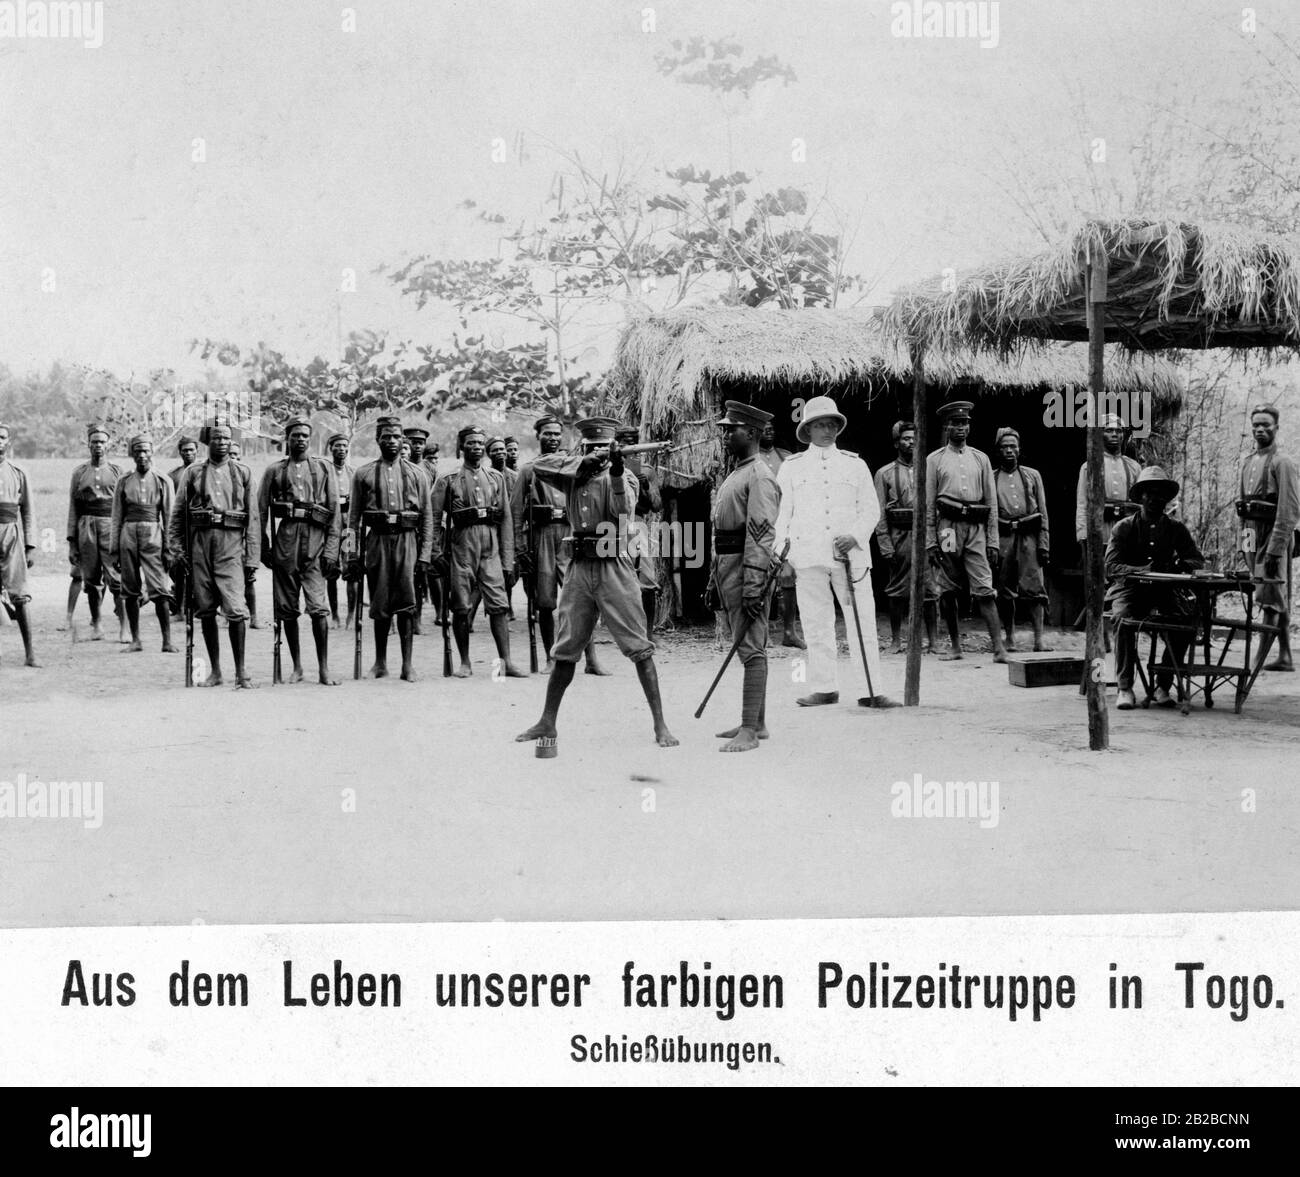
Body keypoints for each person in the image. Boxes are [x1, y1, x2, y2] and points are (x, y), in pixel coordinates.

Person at [515, 417, 678, 751]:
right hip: (578, 568)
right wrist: (579, 464)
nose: (598, 455)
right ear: (582, 449)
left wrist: (615, 472)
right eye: (591, 449)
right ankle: (547, 721)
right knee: (565, 648)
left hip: (614, 567)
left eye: (602, 450)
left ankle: (660, 724)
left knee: (638, 645)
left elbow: (623, 514)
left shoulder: (625, 476)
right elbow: (535, 466)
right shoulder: (573, 476)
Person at [775, 396, 894, 708]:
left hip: (849, 557)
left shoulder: (855, 464)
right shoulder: (792, 467)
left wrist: (854, 536)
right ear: (808, 429)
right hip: (808, 555)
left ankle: (871, 690)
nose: (827, 430)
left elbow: (871, 510)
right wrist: (783, 555)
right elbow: (782, 515)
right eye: (820, 425)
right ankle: (824, 687)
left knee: (862, 621)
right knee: (815, 623)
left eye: (832, 424)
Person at [708, 401, 781, 752]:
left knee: (751, 646)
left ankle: (749, 731)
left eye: (730, 429)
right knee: (750, 643)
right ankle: (757, 721)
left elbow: (760, 535)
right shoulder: (738, 472)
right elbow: (721, 532)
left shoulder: (760, 476)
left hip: (746, 568)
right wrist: (713, 577)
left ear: (750, 433)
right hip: (729, 566)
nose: (724, 435)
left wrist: (753, 584)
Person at [167, 422, 261, 687]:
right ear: (208, 442)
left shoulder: (242, 473)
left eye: (227, 439)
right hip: (200, 546)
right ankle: (216, 671)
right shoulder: (193, 473)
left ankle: (241, 671)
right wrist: (177, 550)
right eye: (217, 438)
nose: (222, 443)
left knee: (235, 608)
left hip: (231, 547)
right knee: (206, 609)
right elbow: (178, 515)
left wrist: (252, 558)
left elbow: (253, 519)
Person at [512, 414, 607, 675]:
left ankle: (591, 659)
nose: (552, 438)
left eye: (556, 433)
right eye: (547, 433)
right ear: (538, 436)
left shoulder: (575, 466)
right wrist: (519, 549)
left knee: (581, 598)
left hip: (569, 534)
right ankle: (550, 658)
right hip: (541, 537)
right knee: (545, 602)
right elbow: (516, 513)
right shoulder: (529, 470)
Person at [1105, 466, 1205, 709]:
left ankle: (1163, 684)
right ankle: (1125, 687)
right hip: (1130, 590)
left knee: (1184, 621)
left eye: (1160, 494)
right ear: (1140, 497)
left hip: (1164, 591)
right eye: (1149, 493)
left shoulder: (1175, 528)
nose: (1155, 499)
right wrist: (1137, 571)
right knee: (1123, 619)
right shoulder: (1124, 527)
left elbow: (1196, 560)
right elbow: (1110, 567)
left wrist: (1179, 565)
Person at [430, 427, 525, 678]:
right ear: (462, 447)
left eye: (480, 443)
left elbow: (506, 521)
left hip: (490, 546)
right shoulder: (447, 479)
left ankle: (504, 664)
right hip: (462, 546)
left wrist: (507, 559)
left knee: (499, 605)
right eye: (471, 443)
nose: (476, 447)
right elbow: (434, 518)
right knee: (461, 606)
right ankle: (465, 663)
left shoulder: (496, 477)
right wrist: (435, 552)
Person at [346, 416, 434, 681]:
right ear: (377, 440)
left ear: (402, 440)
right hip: (377, 542)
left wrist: (425, 554)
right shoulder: (363, 474)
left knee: (407, 602)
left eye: (396, 436)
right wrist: (351, 554)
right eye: (386, 436)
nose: (392, 441)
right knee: (380, 602)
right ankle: (380, 662)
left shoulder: (418, 474)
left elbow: (428, 517)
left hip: (408, 540)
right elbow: (352, 520)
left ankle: (407, 665)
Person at [258, 418, 342, 685]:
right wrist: (263, 547)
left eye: (305, 435)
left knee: (319, 608)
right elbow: (260, 512)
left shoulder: (322, 469)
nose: (301, 440)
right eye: (295, 436)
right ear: (287, 439)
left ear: (310, 438)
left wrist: (331, 551)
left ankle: (324, 668)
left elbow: (335, 515)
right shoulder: (274, 471)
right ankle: (297, 666)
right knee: (287, 608)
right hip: (285, 543)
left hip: (315, 544)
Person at [925, 400, 1008, 663]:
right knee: (948, 586)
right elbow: (929, 503)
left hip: (975, 529)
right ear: (946, 426)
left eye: (964, 423)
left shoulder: (980, 458)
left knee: (984, 585)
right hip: (948, 529)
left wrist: (992, 540)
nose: (960, 428)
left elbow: (991, 503)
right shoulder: (934, 460)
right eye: (955, 423)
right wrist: (930, 540)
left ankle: (999, 649)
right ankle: (955, 647)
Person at [1238, 402, 1298, 674]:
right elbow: (1243, 507)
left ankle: (1258, 659)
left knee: (1270, 590)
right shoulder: (1248, 462)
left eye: (1266, 425)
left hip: (1273, 534)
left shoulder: (1282, 462)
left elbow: (1289, 509)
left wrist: (1275, 549)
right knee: (1267, 588)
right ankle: (1285, 656)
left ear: (1276, 427)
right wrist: (1244, 546)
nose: (1260, 429)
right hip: (1252, 532)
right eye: (1256, 425)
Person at [873, 420, 938, 654]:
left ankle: (933, 641)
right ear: (896, 443)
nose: (911, 442)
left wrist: (934, 540)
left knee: (930, 589)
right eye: (906, 438)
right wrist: (886, 545)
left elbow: (934, 508)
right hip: (899, 536)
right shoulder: (885, 473)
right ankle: (895, 641)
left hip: (925, 537)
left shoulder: (929, 471)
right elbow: (878, 512)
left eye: (914, 438)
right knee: (897, 591)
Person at [110, 435, 176, 653]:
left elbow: (169, 517)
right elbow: (116, 516)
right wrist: (114, 550)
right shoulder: (124, 480)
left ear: (152, 452)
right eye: (137, 451)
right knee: (129, 589)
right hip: (128, 535)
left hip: (153, 535)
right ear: (132, 454)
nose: (142, 455)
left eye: (146, 451)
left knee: (160, 590)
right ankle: (136, 639)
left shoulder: (162, 480)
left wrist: (169, 548)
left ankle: (166, 641)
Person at [993, 427, 1051, 652]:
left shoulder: (1032, 475)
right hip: (1004, 536)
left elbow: (1043, 512)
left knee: (1035, 588)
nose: (1009, 451)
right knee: (1005, 589)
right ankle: (1010, 638)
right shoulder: (991, 476)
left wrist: (1044, 543)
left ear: (1019, 449)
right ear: (998, 450)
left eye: (1013, 446)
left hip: (1030, 537)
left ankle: (1039, 639)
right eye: (1005, 447)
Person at [66, 424, 126, 642]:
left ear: (108, 444)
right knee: (91, 580)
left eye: (102, 441)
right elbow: (73, 508)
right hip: (86, 528)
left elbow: (124, 505)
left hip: (111, 526)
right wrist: (72, 542)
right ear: (88, 444)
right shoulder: (79, 472)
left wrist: (123, 536)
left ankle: (124, 627)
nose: (98, 446)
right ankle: (97, 624)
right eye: (94, 442)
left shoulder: (118, 472)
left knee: (117, 579)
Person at [757, 420, 802, 648]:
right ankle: (762, 634)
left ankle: (789, 632)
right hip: (761, 524)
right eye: (764, 429)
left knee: (788, 577)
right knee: (762, 579)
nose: (769, 432)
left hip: (784, 523)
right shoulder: (751, 459)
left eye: (772, 429)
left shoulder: (786, 457)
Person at [615, 424, 662, 641]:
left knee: (648, 581)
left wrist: (644, 487)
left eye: (633, 441)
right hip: (614, 525)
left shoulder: (647, 470)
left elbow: (657, 505)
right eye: (624, 441)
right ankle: (623, 631)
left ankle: (648, 633)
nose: (629, 445)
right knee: (614, 580)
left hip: (638, 523)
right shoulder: (608, 466)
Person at [0, 421, 39, 668]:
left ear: (7, 441)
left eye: (2, 437)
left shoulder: (18, 472)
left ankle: (30, 653)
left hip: (11, 535)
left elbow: (28, 511)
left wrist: (31, 544)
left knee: (20, 595)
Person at [1075, 413, 1141, 548]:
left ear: (1123, 435)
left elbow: (1141, 502)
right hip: (1100, 527)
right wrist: (1082, 534)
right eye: (1109, 430)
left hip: (1127, 528)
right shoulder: (1090, 466)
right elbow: (1083, 503)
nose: (1114, 434)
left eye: (1118, 431)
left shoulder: (1134, 467)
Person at [226, 435, 261, 630]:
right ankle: (228, 613)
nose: (234, 459)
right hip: (225, 539)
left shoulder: (246, 477)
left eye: (237, 455)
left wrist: (252, 546)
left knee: (248, 580)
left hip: (242, 537)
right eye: (231, 455)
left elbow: (253, 514)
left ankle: (254, 616)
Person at [325, 432, 358, 630]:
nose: (341, 449)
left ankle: (351, 615)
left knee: (351, 569)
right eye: (337, 446)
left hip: (349, 529)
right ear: (331, 448)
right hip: (330, 527)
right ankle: (335, 614)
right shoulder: (325, 472)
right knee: (330, 569)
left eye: (345, 446)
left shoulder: (353, 473)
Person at [487, 436, 520, 620]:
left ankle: (508, 604)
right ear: (489, 454)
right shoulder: (487, 475)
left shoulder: (515, 477)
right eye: (496, 450)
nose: (500, 453)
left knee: (511, 567)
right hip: (492, 529)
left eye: (502, 450)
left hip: (511, 529)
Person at [167, 435, 199, 618]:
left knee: (200, 567)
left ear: (197, 451)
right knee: (178, 567)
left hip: (199, 527)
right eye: (185, 450)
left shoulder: (202, 471)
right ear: (180, 452)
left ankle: (200, 604)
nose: (188, 453)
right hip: (181, 527)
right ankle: (179, 607)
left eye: (191, 450)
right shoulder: (173, 475)